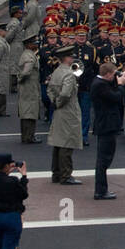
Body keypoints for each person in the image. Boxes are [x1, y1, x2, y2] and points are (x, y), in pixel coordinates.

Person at [90, 62, 125, 200]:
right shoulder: (99, 85)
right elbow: (116, 97)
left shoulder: (100, 82)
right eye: (113, 74)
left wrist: (118, 81)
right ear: (107, 74)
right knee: (103, 160)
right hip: (106, 125)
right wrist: (121, 85)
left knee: (104, 159)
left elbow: (111, 90)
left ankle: (102, 189)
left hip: (107, 124)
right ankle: (100, 191)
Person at [46, 45, 83, 185]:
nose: (72, 58)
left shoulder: (56, 71)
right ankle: (66, 174)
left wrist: (54, 102)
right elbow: (66, 93)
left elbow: (49, 89)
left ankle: (56, 172)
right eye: (70, 56)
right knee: (67, 143)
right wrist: (59, 102)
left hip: (59, 111)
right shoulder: (69, 74)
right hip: (68, 110)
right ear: (66, 58)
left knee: (58, 142)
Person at [17, 36, 41, 144]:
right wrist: (20, 78)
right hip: (29, 87)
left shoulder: (27, 54)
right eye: (34, 43)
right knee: (29, 112)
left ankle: (27, 135)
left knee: (27, 111)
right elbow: (26, 71)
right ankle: (29, 136)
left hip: (28, 87)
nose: (36, 44)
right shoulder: (29, 56)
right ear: (29, 45)